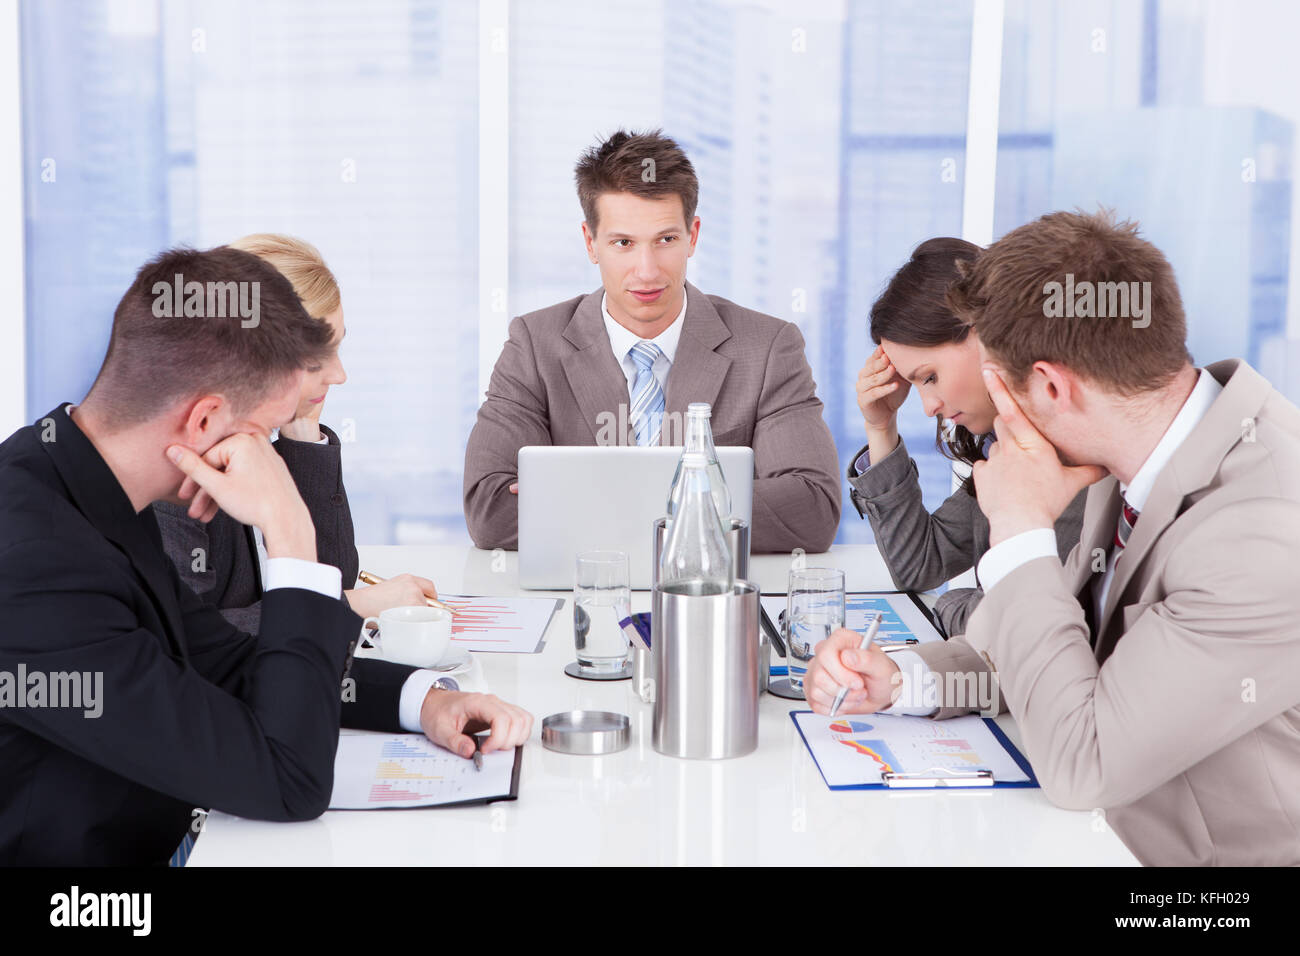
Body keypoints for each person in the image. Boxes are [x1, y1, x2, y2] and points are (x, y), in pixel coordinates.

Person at [0, 245, 532, 866]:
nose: (269, 460)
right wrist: (289, 529)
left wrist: (425, 701)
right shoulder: (35, 567)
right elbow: (289, 781)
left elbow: (226, 665)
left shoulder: (82, 477)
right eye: (265, 431)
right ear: (204, 423)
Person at [805, 209, 1300, 866]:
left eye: (1000, 385)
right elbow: (1049, 660)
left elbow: (1083, 763)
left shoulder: (1259, 532)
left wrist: (1018, 533)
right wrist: (902, 682)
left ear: (1049, 386)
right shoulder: (1126, 452)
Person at [463, 128, 842, 553]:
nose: (647, 271)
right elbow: (490, 512)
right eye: (623, 243)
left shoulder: (769, 347)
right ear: (591, 243)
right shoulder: (534, 344)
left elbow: (811, 510)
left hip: (706, 602)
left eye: (665, 240)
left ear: (692, 236)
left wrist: (580, 504)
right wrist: (704, 504)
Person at [152, 234, 435, 630]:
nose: (340, 375)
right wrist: (351, 607)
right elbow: (190, 640)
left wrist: (302, 431)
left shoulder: (236, 439)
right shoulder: (170, 463)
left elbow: (330, 576)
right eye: (318, 357)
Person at [848, 237, 1084, 636]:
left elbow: (1019, 620)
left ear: (983, 334)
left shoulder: (1068, 450)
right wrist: (881, 426)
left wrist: (955, 605)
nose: (927, 406)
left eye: (930, 377)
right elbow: (919, 564)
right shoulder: (1004, 446)